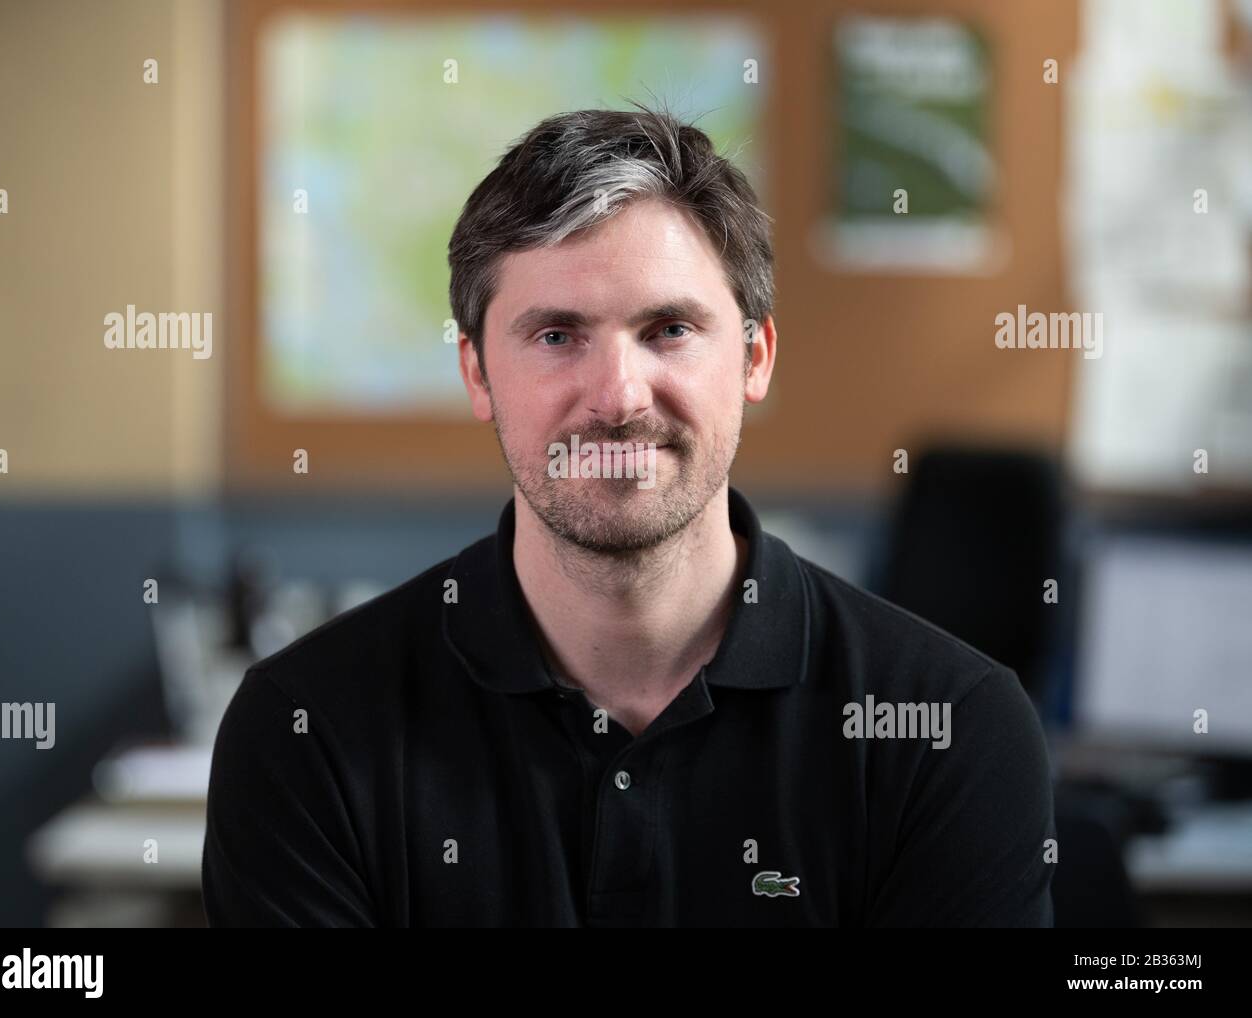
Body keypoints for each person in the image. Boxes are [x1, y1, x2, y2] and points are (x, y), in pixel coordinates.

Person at [201, 102, 1055, 927]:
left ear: (754, 358)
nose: (616, 397)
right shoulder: (307, 729)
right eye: (556, 336)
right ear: (476, 373)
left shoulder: (949, 728)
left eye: (670, 329)